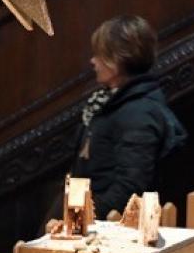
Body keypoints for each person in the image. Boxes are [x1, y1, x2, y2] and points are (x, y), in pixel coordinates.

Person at [70, 15, 185, 219]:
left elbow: (130, 186)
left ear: (116, 60)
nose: (93, 61)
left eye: (98, 54)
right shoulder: (111, 102)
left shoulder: (140, 113)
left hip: (107, 227)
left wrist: (83, 217)